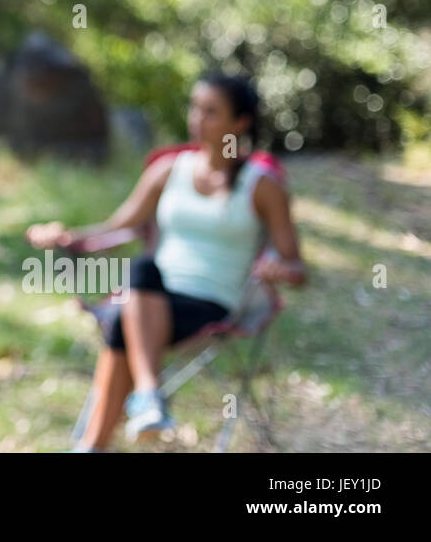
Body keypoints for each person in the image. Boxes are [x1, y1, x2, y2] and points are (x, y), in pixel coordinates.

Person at [26, 73, 305, 451]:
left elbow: (296, 269)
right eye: (195, 108)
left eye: (211, 112)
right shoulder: (169, 170)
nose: (196, 120)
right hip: (150, 297)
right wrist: (64, 237)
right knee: (140, 282)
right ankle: (144, 401)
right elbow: (112, 229)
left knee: (132, 294)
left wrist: (278, 268)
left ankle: (108, 431)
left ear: (240, 123)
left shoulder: (262, 185)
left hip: (214, 306)